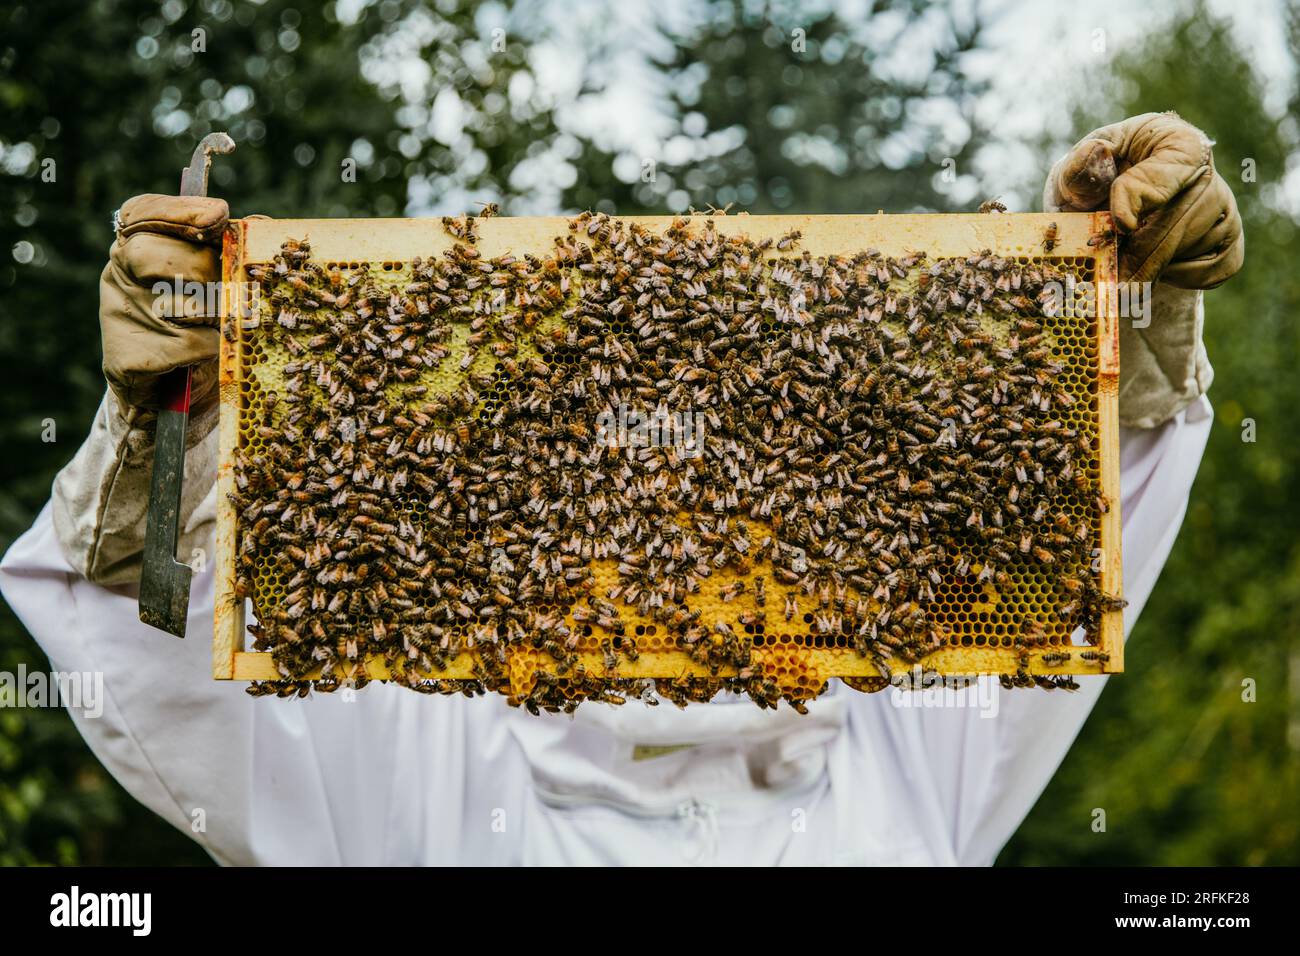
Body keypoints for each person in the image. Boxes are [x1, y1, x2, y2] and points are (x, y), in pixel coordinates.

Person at [0, 113, 1243, 865]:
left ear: (808, 506)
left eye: (734, 466)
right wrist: (168, 433)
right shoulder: (407, 761)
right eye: (623, 471)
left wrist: (1124, 305)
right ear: (539, 499)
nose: (677, 514)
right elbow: (142, 643)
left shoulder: (905, 739)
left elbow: (1072, 524)